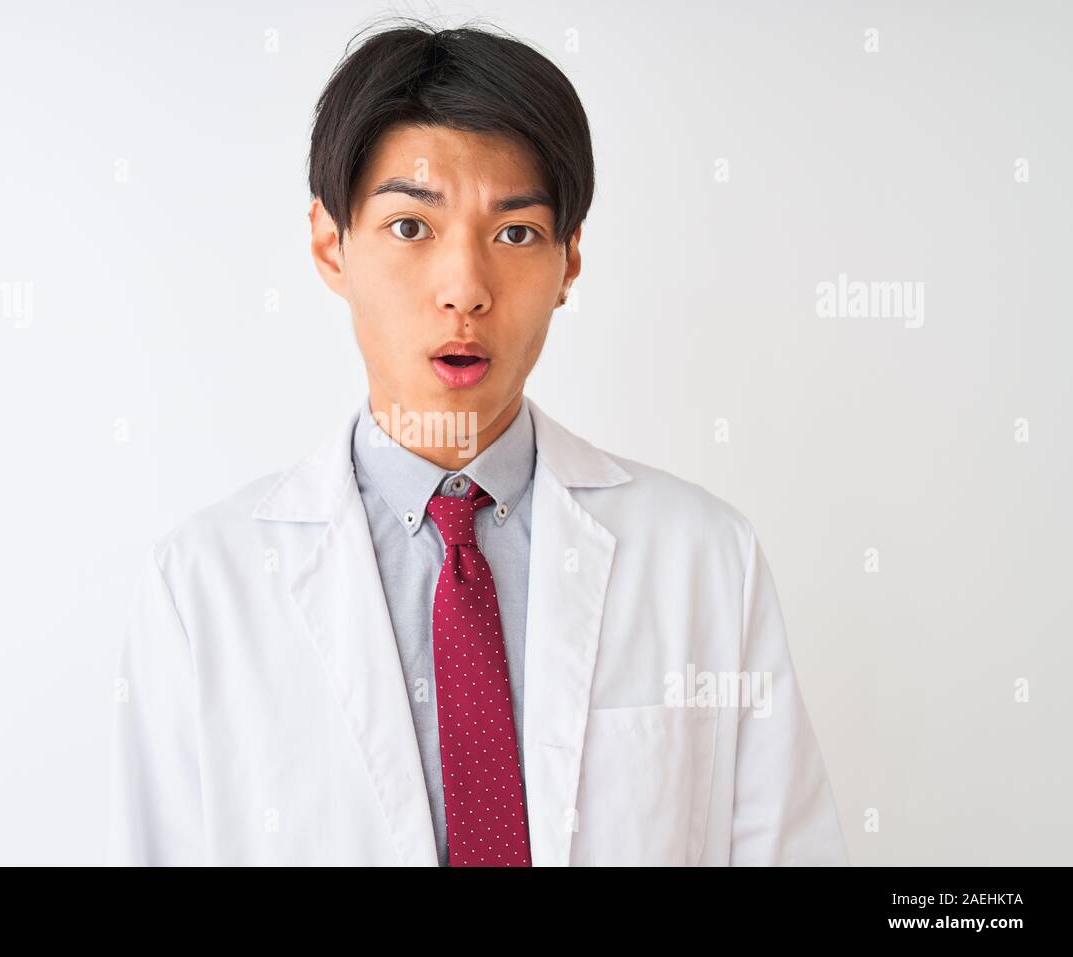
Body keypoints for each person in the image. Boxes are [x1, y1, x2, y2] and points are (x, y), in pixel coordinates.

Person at [108, 18, 847, 867]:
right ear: (330, 245)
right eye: (412, 228)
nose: (465, 289)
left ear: (569, 261)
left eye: (516, 233)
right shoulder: (202, 585)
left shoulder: (708, 558)